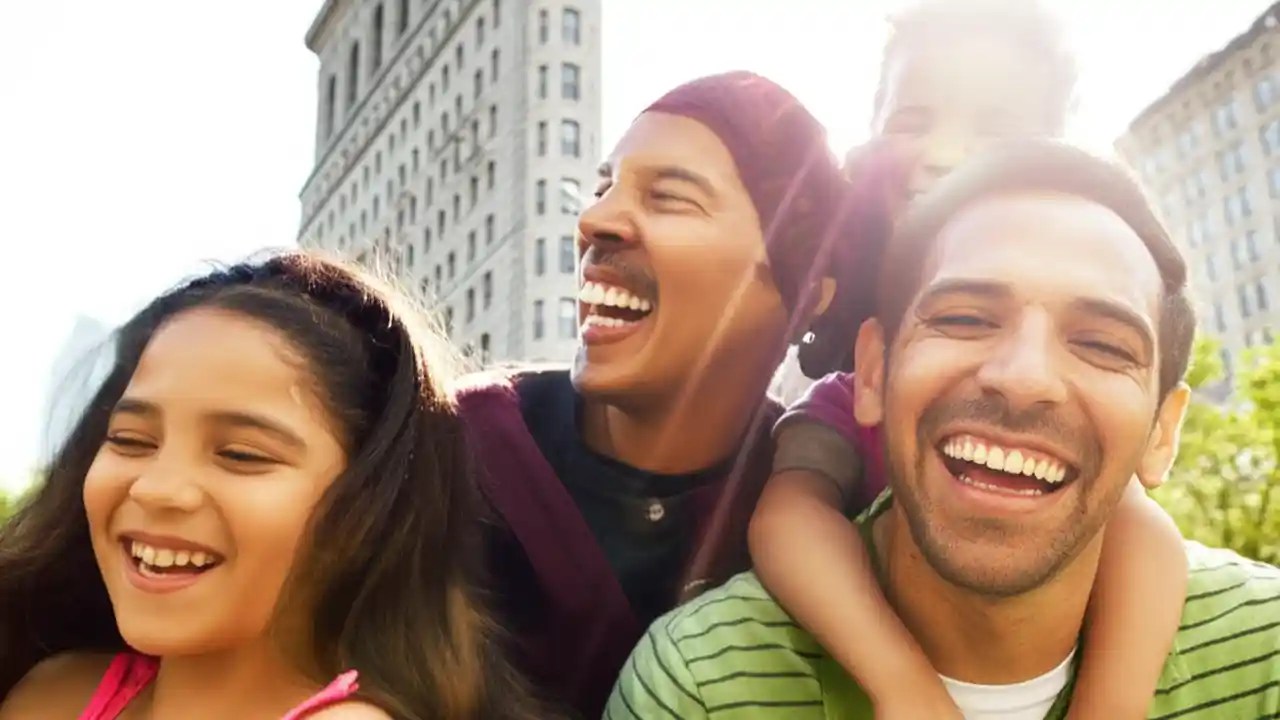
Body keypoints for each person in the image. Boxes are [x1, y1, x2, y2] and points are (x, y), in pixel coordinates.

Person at [608, 140, 1280, 719]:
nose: (1024, 378)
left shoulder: (1264, 653)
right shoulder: (700, 689)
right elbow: (789, 515)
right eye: (962, 318)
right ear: (872, 372)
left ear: (1164, 431)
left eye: (1103, 346)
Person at [749, 2, 1189, 717]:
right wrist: (901, 685)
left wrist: (1109, 703)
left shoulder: (1069, 392)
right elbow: (789, 518)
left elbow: (1139, 526)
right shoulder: (837, 371)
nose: (946, 152)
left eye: (995, 127)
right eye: (912, 120)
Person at [458, 71, 875, 718]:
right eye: (603, 187)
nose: (595, 219)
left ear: (806, 294)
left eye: (671, 198)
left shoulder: (828, 518)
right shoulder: (446, 450)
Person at [0, 253, 548, 719]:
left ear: (371, 501)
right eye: (130, 440)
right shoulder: (54, 692)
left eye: (240, 454)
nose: (156, 489)